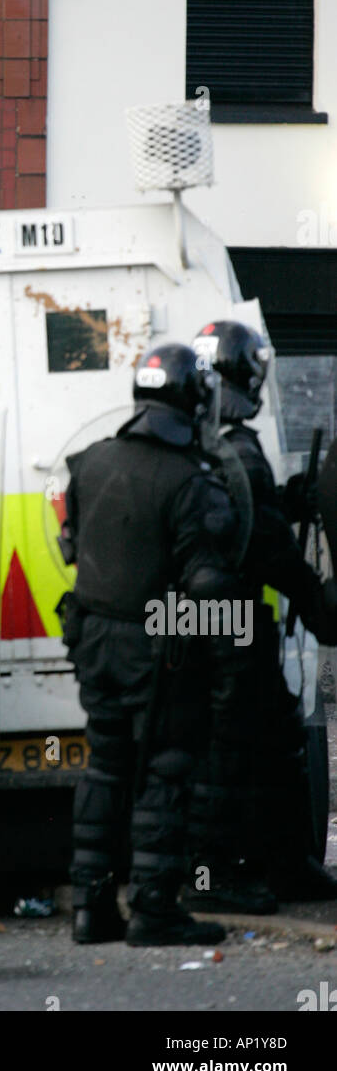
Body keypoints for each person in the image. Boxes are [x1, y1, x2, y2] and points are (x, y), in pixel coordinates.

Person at [62, 344, 242, 947]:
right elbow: (210, 588)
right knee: (164, 772)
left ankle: (90, 909)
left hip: (94, 640)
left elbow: (73, 546)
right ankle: (154, 909)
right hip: (159, 647)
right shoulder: (192, 481)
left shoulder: (88, 462)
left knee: (106, 766)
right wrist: (228, 668)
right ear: (192, 400)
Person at [187, 320, 337, 908]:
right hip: (235, 626)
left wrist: (284, 498)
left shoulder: (187, 439)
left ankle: (279, 868)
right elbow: (269, 548)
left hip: (190, 626)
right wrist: (319, 605)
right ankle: (229, 876)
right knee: (248, 750)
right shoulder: (238, 448)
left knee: (249, 745)